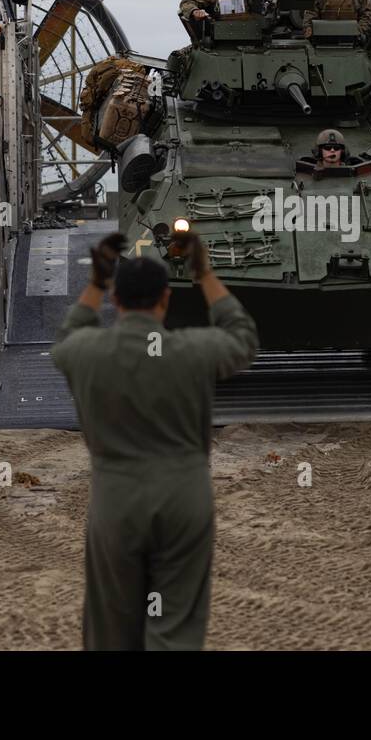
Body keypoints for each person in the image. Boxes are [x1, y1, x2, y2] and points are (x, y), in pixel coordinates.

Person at [52, 232, 259, 650]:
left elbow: (69, 332)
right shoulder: (192, 349)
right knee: (173, 622)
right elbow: (242, 336)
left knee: (111, 626)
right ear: (165, 299)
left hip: (116, 498)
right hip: (184, 496)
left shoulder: (86, 351)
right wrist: (205, 274)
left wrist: (95, 283)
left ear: (117, 300)